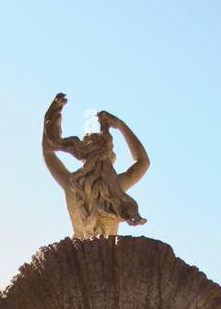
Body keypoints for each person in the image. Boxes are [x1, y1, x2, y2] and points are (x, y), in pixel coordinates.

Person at [41, 92, 150, 238]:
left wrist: (52, 114)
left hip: (78, 252)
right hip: (106, 254)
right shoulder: (116, 186)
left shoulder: (72, 184)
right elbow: (142, 161)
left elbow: (48, 152)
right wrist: (120, 125)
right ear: (111, 157)